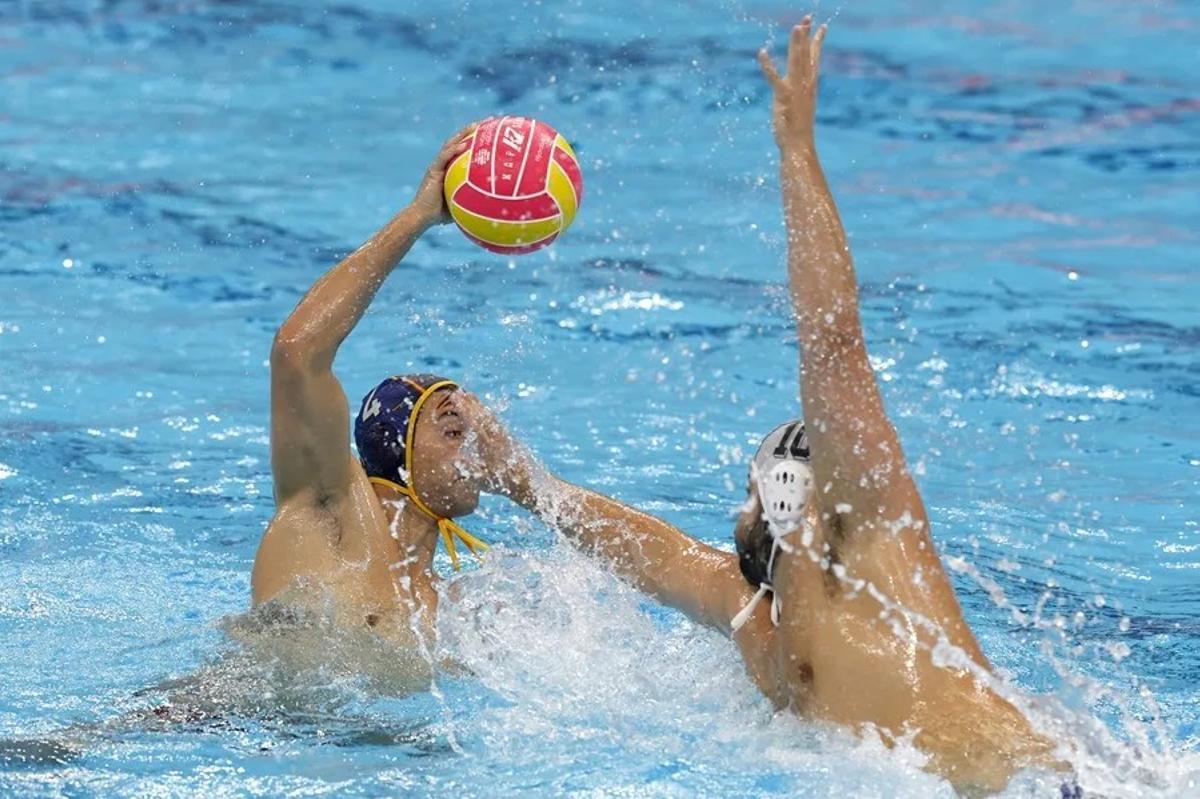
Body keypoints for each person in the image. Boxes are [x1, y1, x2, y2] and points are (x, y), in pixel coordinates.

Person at [459, 19, 1061, 795]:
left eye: (752, 484)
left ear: (799, 482)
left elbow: (834, 342)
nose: (740, 507)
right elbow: (658, 556)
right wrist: (525, 484)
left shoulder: (869, 541)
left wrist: (797, 152)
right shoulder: (762, 621)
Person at [253, 122, 504, 671]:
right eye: (454, 429)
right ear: (399, 450)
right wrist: (418, 218)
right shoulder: (331, 508)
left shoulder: (455, 610)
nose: (477, 447)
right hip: (216, 725)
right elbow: (296, 350)